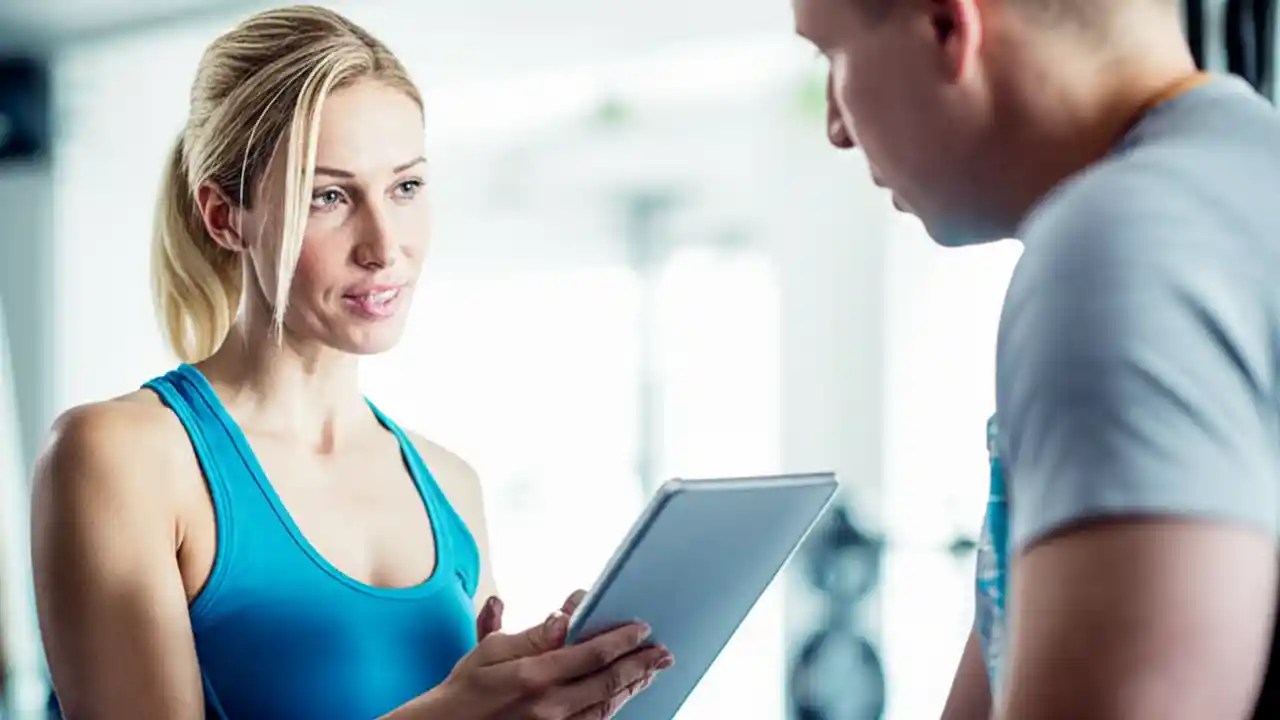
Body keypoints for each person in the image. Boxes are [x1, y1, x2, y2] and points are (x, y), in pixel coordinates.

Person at [29, 6, 673, 719]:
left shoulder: (452, 485)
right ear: (224, 216)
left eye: (406, 187)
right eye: (329, 196)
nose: (384, 246)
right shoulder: (121, 456)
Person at [792, 0, 1280, 718]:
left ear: (947, 28)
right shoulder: (1233, 189)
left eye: (832, 56)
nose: (836, 128)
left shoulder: (1121, 248)